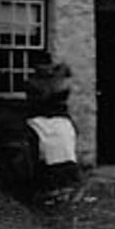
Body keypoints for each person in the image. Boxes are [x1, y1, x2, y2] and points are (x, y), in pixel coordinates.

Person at [23, 51, 79, 190]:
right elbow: (43, 97)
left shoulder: (58, 78)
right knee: (45, 142)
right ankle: (48, 173)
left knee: (65, 135)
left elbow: (63, 90)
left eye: (47, 65)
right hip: (39, 117)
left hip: (57, 116)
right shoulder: (32, 82)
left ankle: (66, 172)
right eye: (41, 66)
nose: (45, 69)